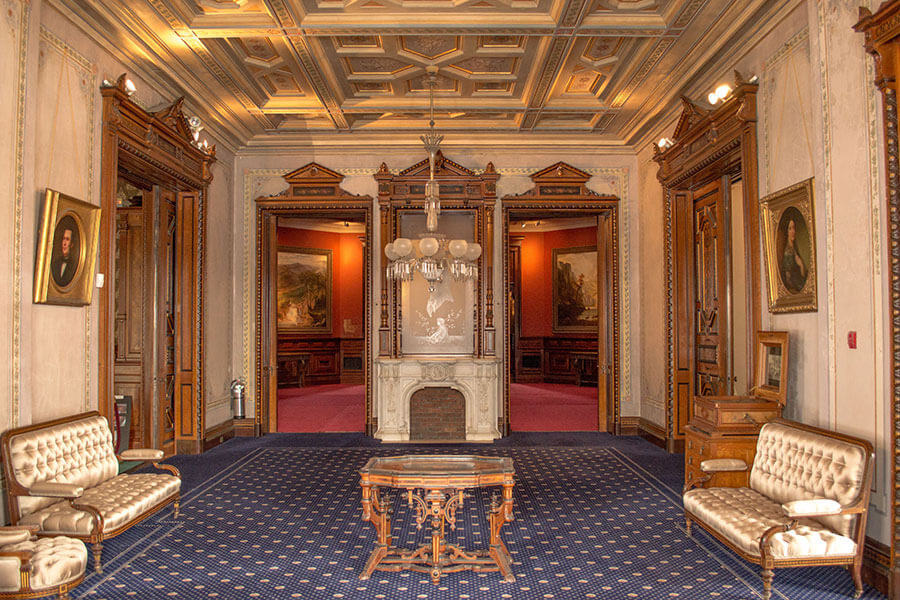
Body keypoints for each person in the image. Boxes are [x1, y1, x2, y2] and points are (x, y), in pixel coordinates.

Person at [780, 217, 806, 293]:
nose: (793, 231)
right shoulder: (788, 252)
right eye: (790, 228)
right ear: (786, 231)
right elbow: (788, 280)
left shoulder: (794, 248)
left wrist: (802, 266)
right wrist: (801, 267)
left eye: (794, 228)